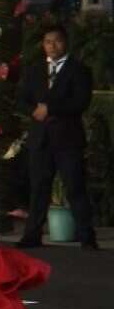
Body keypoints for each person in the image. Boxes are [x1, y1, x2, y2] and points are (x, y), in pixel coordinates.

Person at [17, 25, 98, 250]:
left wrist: (50, 108)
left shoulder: (79, 70)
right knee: (39, 188)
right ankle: (32, 236)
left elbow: (80, 102)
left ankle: (87, 237)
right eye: (48, 42)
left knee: (75, 187)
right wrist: (33, 110)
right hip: (41, 139)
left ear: (65, 43)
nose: (52, 46)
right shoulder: (34, 70)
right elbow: (22, 99)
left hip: (68, 139)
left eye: (57, 41)